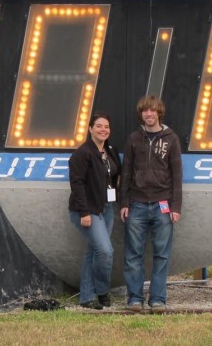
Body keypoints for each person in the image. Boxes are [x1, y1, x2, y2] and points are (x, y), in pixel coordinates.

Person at [119, 95, 183, 312]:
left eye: (152, 111)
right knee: (133, 254)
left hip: (162, 205)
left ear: (159, 113)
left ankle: (158, 300)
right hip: (136, 204)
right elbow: (126, 172)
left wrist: (175, 207)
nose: (148, 114)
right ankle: (134, 299)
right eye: (145, 111)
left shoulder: (171, 139)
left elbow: (177, 175)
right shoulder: (133, 139)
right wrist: (124, 202)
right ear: (141, 114)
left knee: (161, 255)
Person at [68, 111, 121, 310]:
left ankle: (87, 297)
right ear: (90, 128)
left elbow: (116, 174)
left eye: (106, 127)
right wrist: (84, 213)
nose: (103, 130)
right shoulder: (82, 154)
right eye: (99, 126)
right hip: (87, 210)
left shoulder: (111, 151)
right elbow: (77, 184)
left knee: (94, 252)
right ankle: (103, 292)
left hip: (107, 208)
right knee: (105, 251)